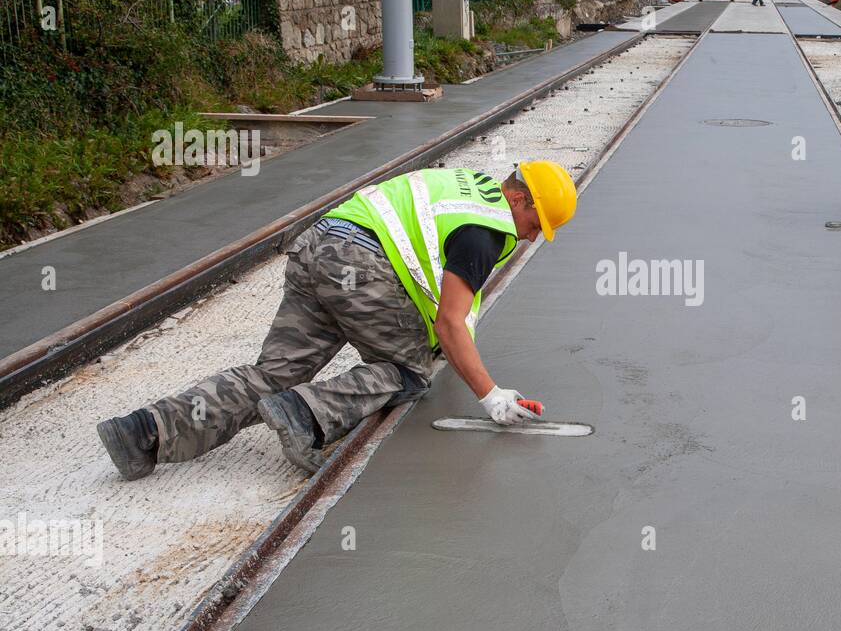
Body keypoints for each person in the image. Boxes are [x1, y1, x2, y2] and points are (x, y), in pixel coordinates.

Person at [97, 161, 577, 480]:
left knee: (273, 374)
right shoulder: (484, 231)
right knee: (407, 373)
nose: (532, 239)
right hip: (359, 265)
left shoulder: (467, 187)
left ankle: (142, 433)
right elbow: (450, 323)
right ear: (521, 202)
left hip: (318, 249)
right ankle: (304, 415)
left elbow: (443, 301)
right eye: (536, 227)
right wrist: (490, 395)